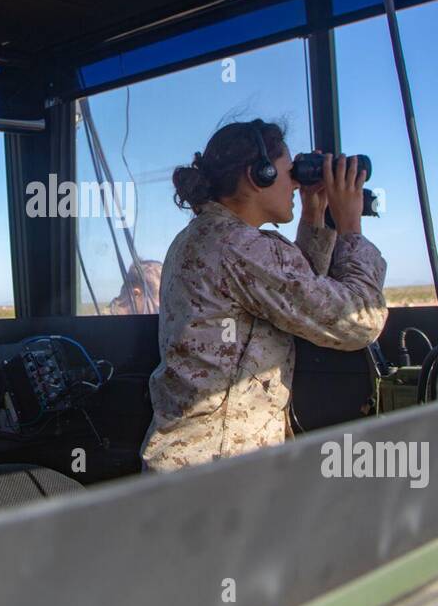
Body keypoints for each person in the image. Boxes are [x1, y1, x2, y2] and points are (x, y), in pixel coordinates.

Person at [142, 119, 388, 472]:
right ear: (259, 174)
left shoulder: (205, 235)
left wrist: (315, 212)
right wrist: (350, 227)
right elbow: (359, 321)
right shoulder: (241, 246)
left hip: (193, 463)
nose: (295, 184)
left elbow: (293, 294)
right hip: (220, 469)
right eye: (291, 172)